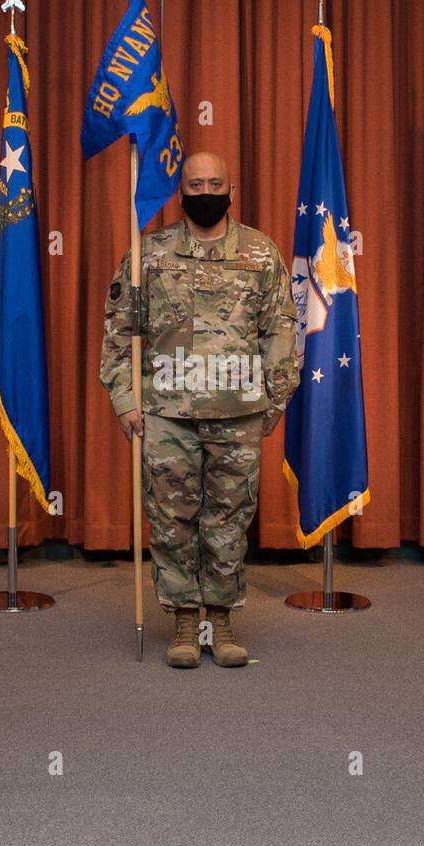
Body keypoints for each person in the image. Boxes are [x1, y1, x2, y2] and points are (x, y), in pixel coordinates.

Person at [100, 151, 298, 668]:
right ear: (180, 191)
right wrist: (126, 402)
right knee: (171, 519)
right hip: (167, 412)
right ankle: (185, 621)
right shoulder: (149, 254)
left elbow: (281, 329)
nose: (205, 191)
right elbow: (121, 332)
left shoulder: (260, 253)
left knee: (230, 519)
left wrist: (274, 401)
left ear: (232, 190)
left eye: (215, 183)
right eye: (195, 184)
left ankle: (222, 616)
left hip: (238, 412)